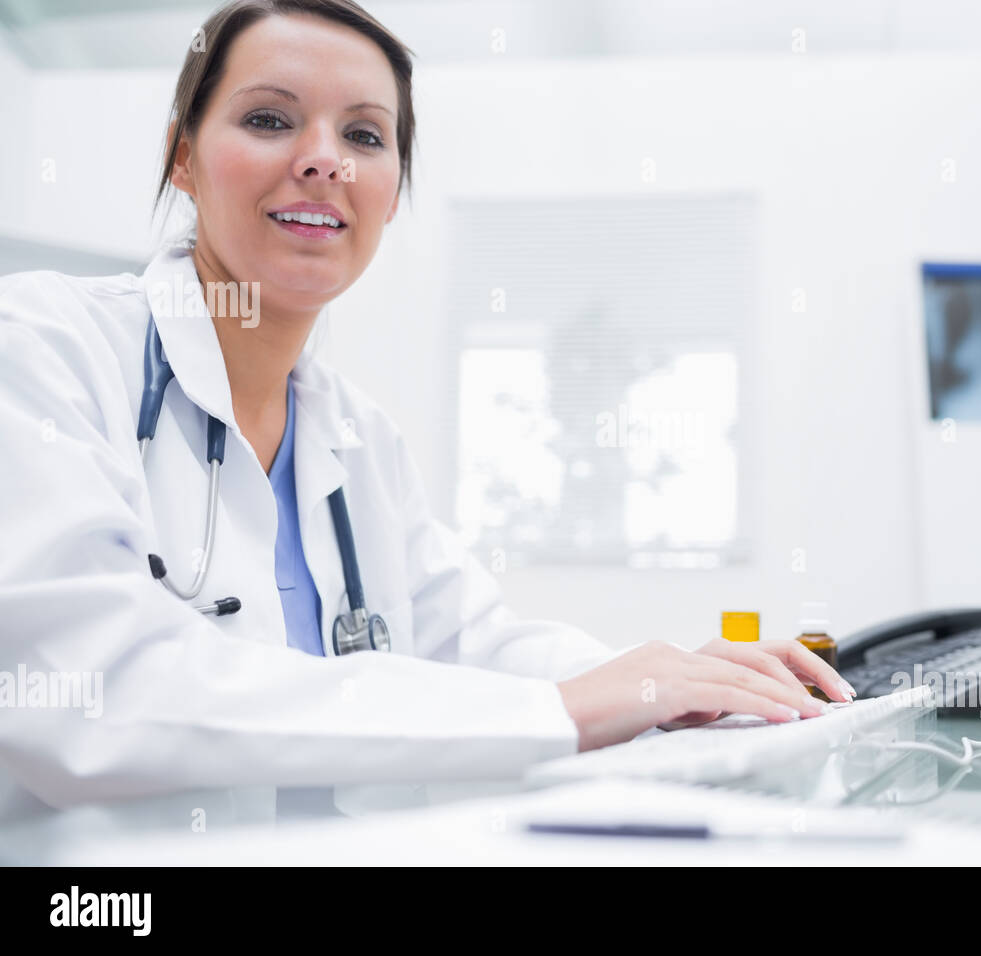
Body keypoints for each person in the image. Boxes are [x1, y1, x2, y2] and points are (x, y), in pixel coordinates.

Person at [0, 0, 852, 822]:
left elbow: (475, 644)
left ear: (392, 189)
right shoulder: (46, 347)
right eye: (269, 119)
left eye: (365, 135)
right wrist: (567, 710)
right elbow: (94, 688)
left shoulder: (357, 437)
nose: (324, 159)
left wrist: (662, 683)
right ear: (182, 158)